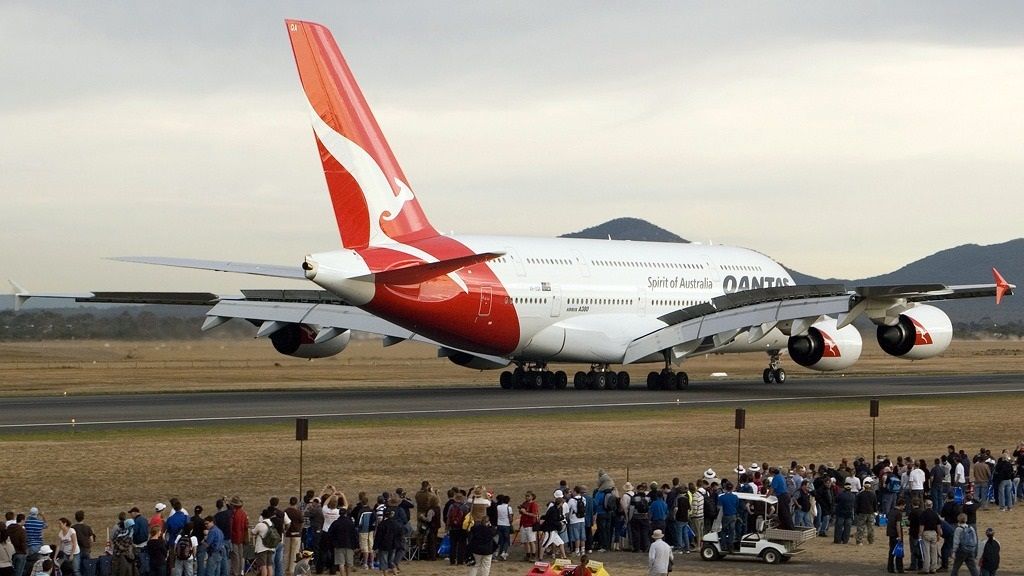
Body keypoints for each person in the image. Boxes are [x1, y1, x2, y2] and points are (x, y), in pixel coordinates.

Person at [283, 499, 303, 576]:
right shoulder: (299, 512)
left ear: (289, 502)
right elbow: (302, 522)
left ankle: (285, 568)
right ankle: (292, 569)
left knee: (286, 552)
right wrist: (300, 531)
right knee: (294, 553)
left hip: (288, 534)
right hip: (297, 534)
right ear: (296, 503)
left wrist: (285, 530)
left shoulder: (286, 511)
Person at [228, 498, 247, 576]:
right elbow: (246, 526)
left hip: (234, 537)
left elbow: (231, 526)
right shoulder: (243, 513)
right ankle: (241, 571)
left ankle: (236, 573)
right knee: (240, 556)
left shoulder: (233, 514)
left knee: (235, 556)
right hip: (241, 537)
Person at [517, 492, 539, 562]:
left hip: (530, 525)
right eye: (526, 496)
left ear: (532, 497)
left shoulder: (534, 504)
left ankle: (533, 555)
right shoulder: (525, 503)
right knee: (525, 541)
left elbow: (535, 515)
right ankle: (528, 555)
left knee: (531, 541)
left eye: (528, 496)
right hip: (524, 524)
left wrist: (525, 512)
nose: (527, 497)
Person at [855, 478, 877, 545]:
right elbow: (875, 504)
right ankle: (871, 541)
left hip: (862, 512)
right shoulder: (873, 494)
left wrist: (857, 512)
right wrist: (875, 511)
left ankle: (859, 541)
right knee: (871, 528)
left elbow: (857, 504)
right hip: (870, 512)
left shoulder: (860, 495)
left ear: (864, 486)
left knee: (860, 528)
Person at [885, 499, 905, 574]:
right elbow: (898, 525)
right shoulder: (898, 513)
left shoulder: (891, 511)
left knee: (892, 551)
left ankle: (890, 567)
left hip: (891, 533)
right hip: (896, 534)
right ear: (901, 505)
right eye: (904, 506)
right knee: (899, 551)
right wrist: (900, 536)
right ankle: (900, 568)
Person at [834, 480, 855, 544]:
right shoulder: (853, 496)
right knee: (847, 528)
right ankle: (845, 540)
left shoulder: (840, 494)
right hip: (849, 513)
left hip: (840, 513)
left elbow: (836, 501)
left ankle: (837, 540)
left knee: (839, 527)